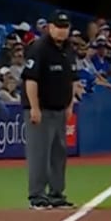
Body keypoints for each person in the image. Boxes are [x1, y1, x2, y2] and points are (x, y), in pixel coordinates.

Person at [23, 11, 79, 210]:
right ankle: (37, 196)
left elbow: (72, 80)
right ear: (50, 27)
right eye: (58, 26)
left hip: (60, 109)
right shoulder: (39, 48)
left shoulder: (69, 49)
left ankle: (56, 194)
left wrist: (70, 104)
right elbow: (31, 80)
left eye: (65, 27)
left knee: (58, 153)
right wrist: (34, 107)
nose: (62, 31)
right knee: (39, 153)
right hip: (42, 109)